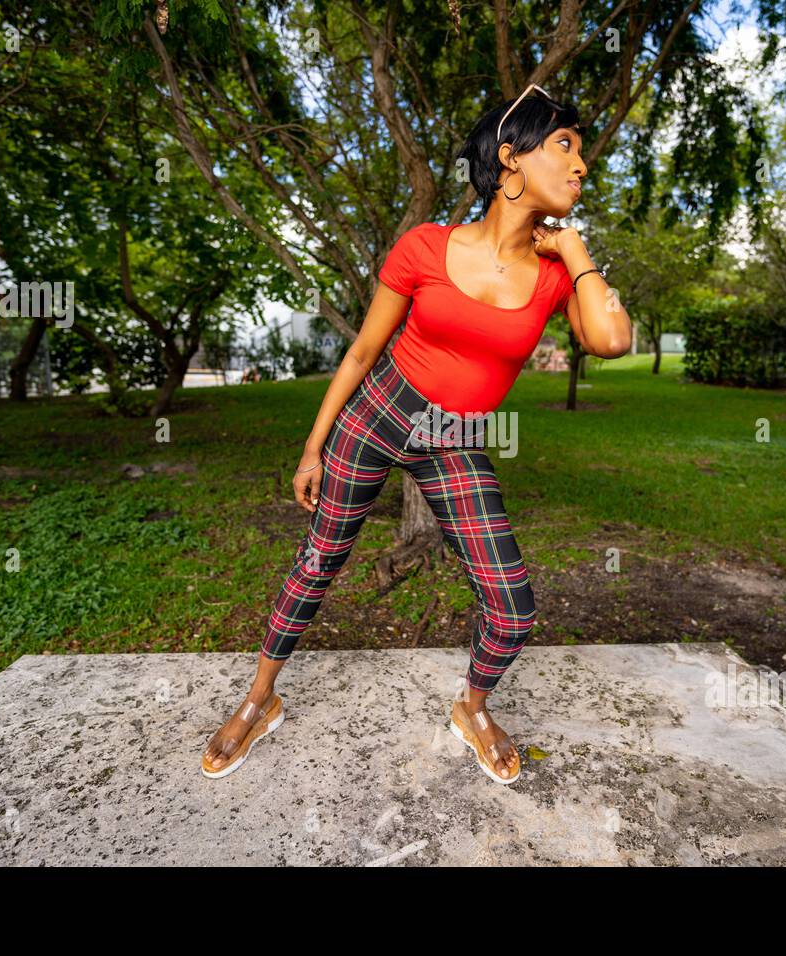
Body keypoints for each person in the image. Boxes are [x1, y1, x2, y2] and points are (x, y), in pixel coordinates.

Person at [201, 84, 633, 785]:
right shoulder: (425, 247)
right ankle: (258, 699)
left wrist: (578, 251)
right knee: (319, 562)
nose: (582, 164)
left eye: (581, 149)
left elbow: (612, 339)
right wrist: (313, 445)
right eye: (564, 145)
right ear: (510, 160)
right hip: (379, 412)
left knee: (513, 602)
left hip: (455, 437)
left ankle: (473, 707)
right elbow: (362, 353)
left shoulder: (559, 275)